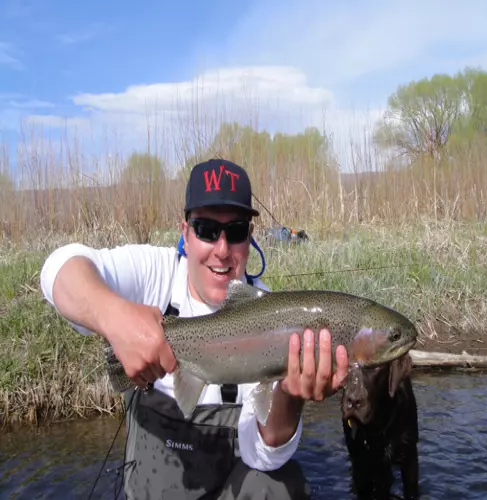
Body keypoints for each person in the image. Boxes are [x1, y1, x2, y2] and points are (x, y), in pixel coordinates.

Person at [40, 158, 349, 500]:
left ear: (249, 237)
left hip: (230, 489)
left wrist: (290, 396)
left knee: (281, 484)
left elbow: (262, 457)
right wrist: (115, 317)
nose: (222, 250)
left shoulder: (275, 318)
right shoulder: (155, 272)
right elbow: (58, 269)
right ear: (185, 233)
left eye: (235, 231)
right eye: (205, 229)